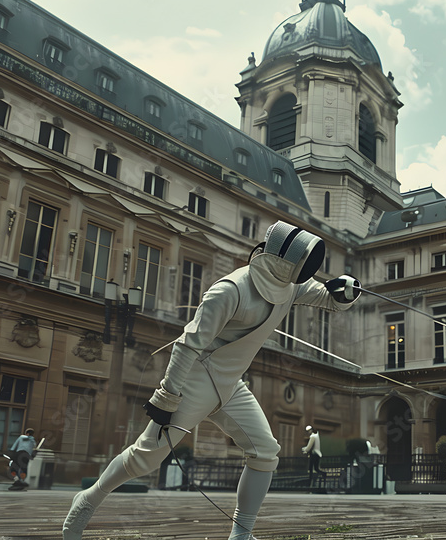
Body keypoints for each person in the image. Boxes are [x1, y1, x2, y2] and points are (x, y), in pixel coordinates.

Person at [62, 221, 360, 540]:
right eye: (307, 261)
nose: (309, 269)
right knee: (146, 456)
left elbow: (327, 299)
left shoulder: (290, 286)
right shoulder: (231, 289)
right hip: (197, 380)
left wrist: (344, 289)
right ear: (286, 259)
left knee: (264, 452)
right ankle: (88, 499)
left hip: (231, 385)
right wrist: (167, 398)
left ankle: (241, 534)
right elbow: (187, 344)